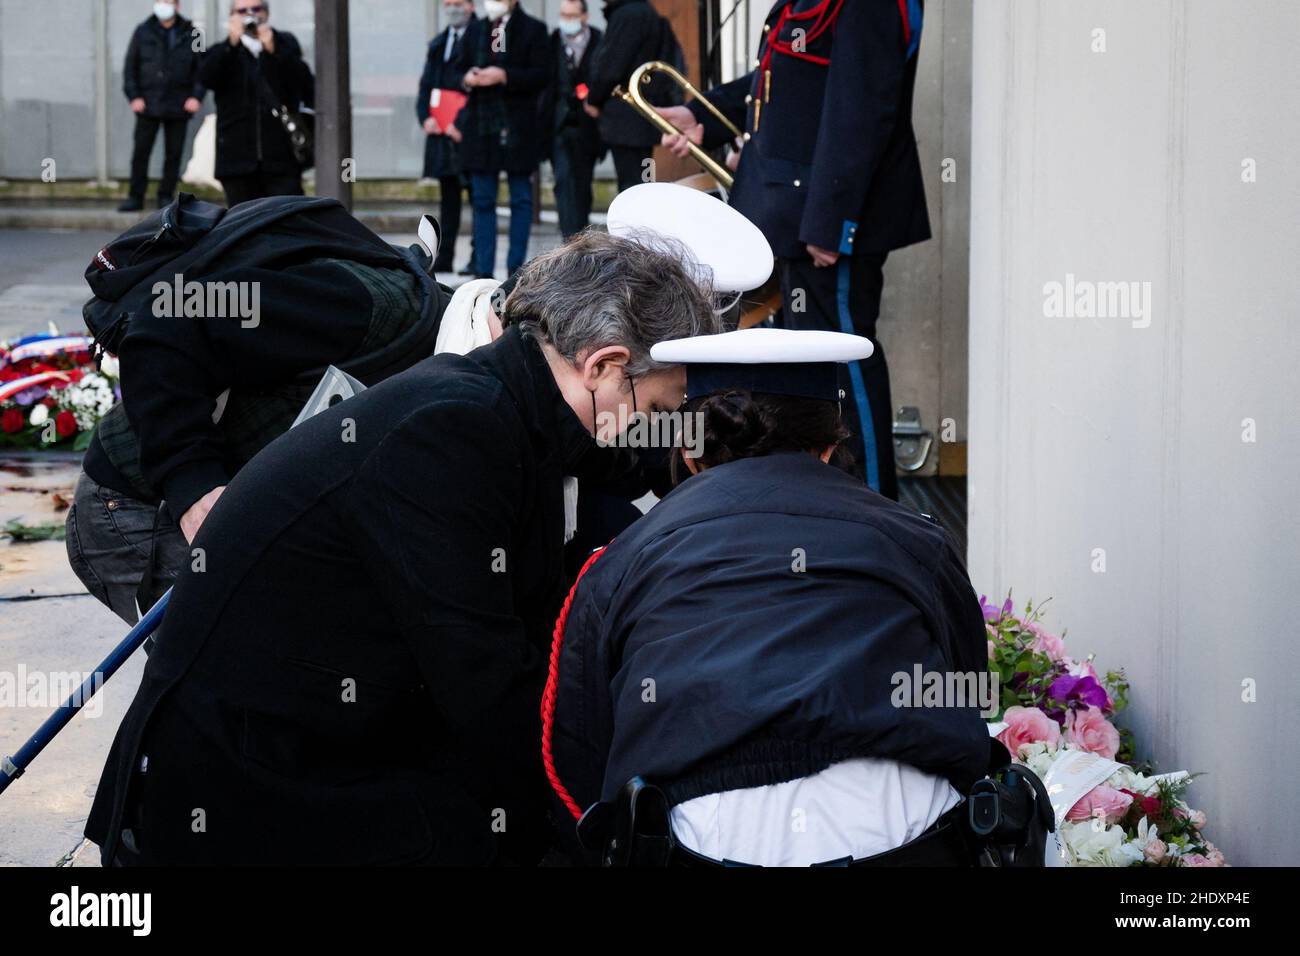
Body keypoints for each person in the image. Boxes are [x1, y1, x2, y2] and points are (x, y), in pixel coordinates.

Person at [84, 232, 723, 866]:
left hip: (316, 744)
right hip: (241, 791)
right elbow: (484, 681)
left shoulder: (502, 404)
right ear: (604, 365)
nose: (646, 430)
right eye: (656, 406)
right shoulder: (455, 429)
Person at [543, 327, 992, 866]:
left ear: (688, 448)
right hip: (912, 830)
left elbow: (576, 747)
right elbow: (965, 686)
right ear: (828, 447)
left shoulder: (622, 559)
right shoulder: (916, 539)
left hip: (698, 837)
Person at [67, 197, 447, 625]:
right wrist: (193, 485)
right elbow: (168, 313)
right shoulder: (365, 310)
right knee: (249, 679)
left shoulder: (442, 348)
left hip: (244, 506)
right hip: (136, 508)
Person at [658, 1, 932, 500]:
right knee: (804, 370)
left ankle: (872, 500)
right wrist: (702, 115)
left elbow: (862, 109)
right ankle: (817, 495)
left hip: (823, 223)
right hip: (795, 216)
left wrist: (831, 222)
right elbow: (779, 82)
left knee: (846, 361)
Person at [452, 0, 550, 279]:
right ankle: (482, 271)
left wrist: (505, 76)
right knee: (482, 199)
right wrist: (468, 78)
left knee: (520, 199)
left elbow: (542, 74)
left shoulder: (533, 29)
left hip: (517, 126)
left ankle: (515, 269)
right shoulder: (476, 30)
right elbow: (456, 69)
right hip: (481, 127)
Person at [198, 1, 314, 207]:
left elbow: (302, 83)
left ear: (267, 13)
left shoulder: (284, 43)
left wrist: (272, 50)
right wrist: (231, 44)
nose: (250, 15)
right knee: (244, 224)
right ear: (232, 16)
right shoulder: (223, 50)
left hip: (281, 157)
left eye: (256, 9)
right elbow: (207, 78)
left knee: (287, 219)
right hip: (236, 159)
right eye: (242, 11)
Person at [585, 0, 681, 192]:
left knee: (633, 186)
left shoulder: (628, 15)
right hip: (640, 113)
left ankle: (638, 222)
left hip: (627, 116)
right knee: (643, 179)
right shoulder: (644, 11)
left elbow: (611, 65)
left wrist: (594, 98)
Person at [119, 2, 205, 213]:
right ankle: (135, 196)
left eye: (168, 1)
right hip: (148, 104)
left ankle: (165, 195)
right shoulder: (142, 30)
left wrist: (196, 96)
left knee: (173, 153)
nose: (163, 6)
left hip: (179, 104)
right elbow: (130, 67)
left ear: (177, 6)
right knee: (141, 152)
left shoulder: (194, 33)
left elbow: (203, 68)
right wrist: (134, 96)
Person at [416, 0, 481, 273]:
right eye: (448, 3)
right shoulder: (439, 43)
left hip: (468, 132)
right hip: (442, 134)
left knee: (479, 197)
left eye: (458, 3)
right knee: (448, 199)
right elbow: (427, 85)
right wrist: (425, 117)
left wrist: (462, 125)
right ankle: (445, 256)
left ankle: (479, 256)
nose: (452, 8)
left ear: (470, 6)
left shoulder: (482, 37)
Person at [545, 0, 604, 239]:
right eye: (563, 15)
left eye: (572, 15)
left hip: (588, 126)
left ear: (584, 16)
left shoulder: (599, 41)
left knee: (582, 182)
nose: (567, 20)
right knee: (563, 179)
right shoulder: (553, 41)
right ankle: (569, 237)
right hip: (559, 125)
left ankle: (581, 233)